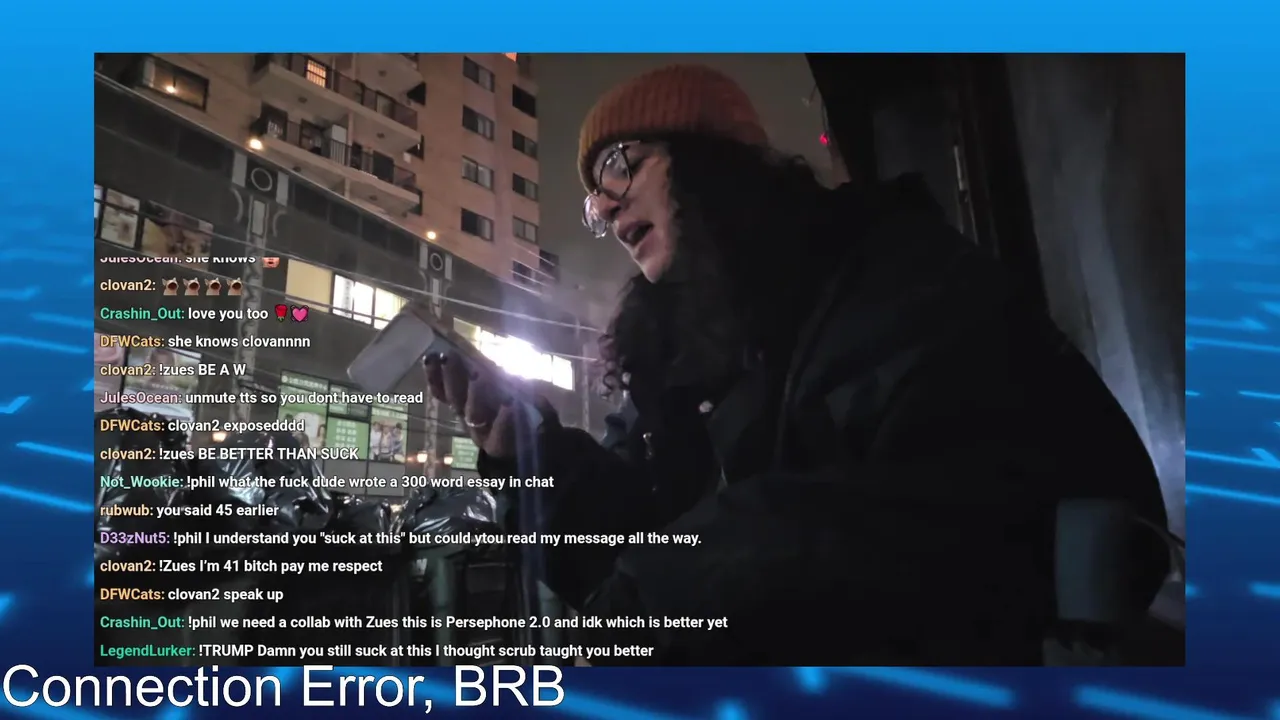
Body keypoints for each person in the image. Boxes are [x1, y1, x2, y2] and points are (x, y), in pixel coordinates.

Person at [425, 64, 1170, 665]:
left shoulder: (891, 277)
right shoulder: (670, 360)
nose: (609, 210)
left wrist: (697, 572)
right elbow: (633, 546)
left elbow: (980, 514)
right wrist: (529, 454)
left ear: (711, 155)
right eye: (595, 201)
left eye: (621, 166)